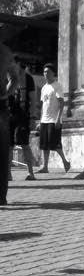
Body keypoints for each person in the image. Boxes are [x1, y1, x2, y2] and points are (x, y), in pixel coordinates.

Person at [37, 64, 70, 174]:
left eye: (48, 72)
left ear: (53, 73)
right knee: (44, 145)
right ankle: (45, 166)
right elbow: (43, 105)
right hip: (44, 120)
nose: (45, 74)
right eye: (44, 72)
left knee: (55, 144)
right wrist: (40, 119)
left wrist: (58, 119)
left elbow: (62, 103)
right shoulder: (43, 88)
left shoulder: (57, 86)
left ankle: (65, 162)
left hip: (53, 120)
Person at [1, 43, 18, 204]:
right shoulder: (4, 51)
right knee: (2, 153)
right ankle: (1, 196)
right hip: (1, 107)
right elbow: (14, 80)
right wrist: (4, 94)